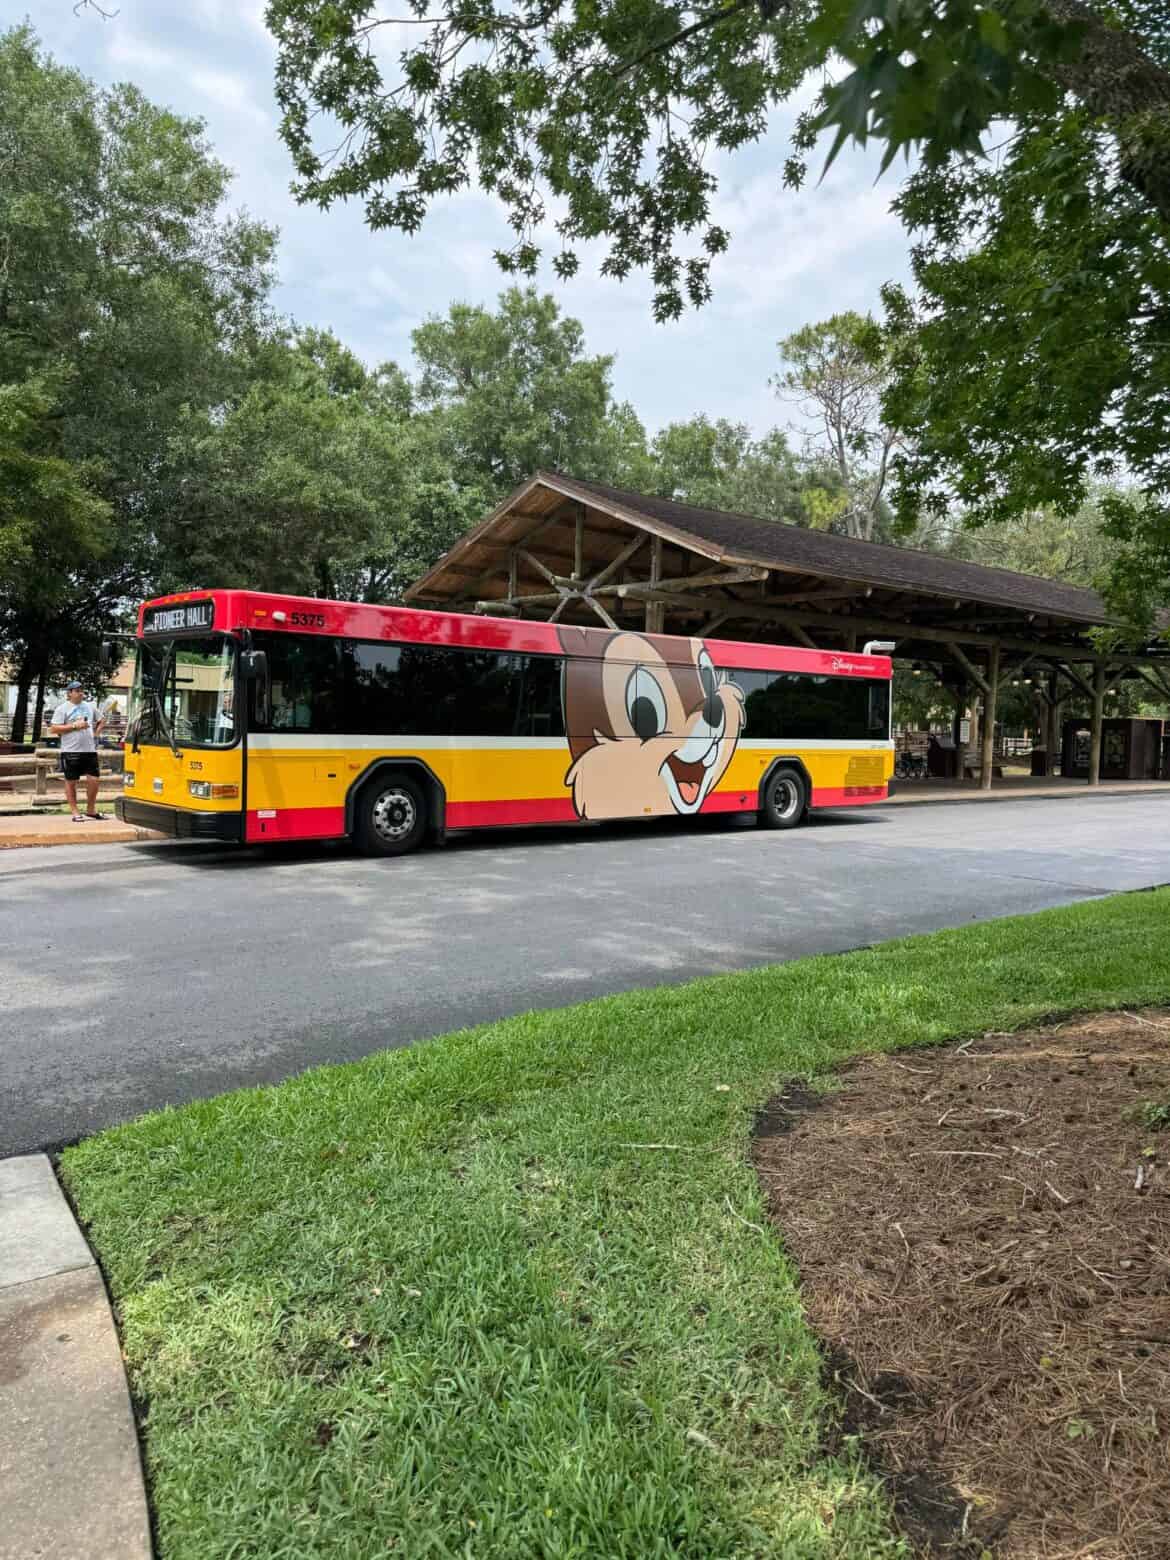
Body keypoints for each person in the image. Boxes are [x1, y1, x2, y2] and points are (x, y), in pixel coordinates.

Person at [48, 681, 108, 822]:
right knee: (71, 781)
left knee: (94, 780)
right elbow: (54, 729)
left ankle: (91, 810)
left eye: (82, 690)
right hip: (70, 751)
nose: (81, 692)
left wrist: (96, 733)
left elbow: (102, 720)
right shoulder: (62, 709)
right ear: (69, 693)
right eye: (77, 690)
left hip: (89, 750)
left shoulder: (89, 706)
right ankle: (75, 812)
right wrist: (75, 726)